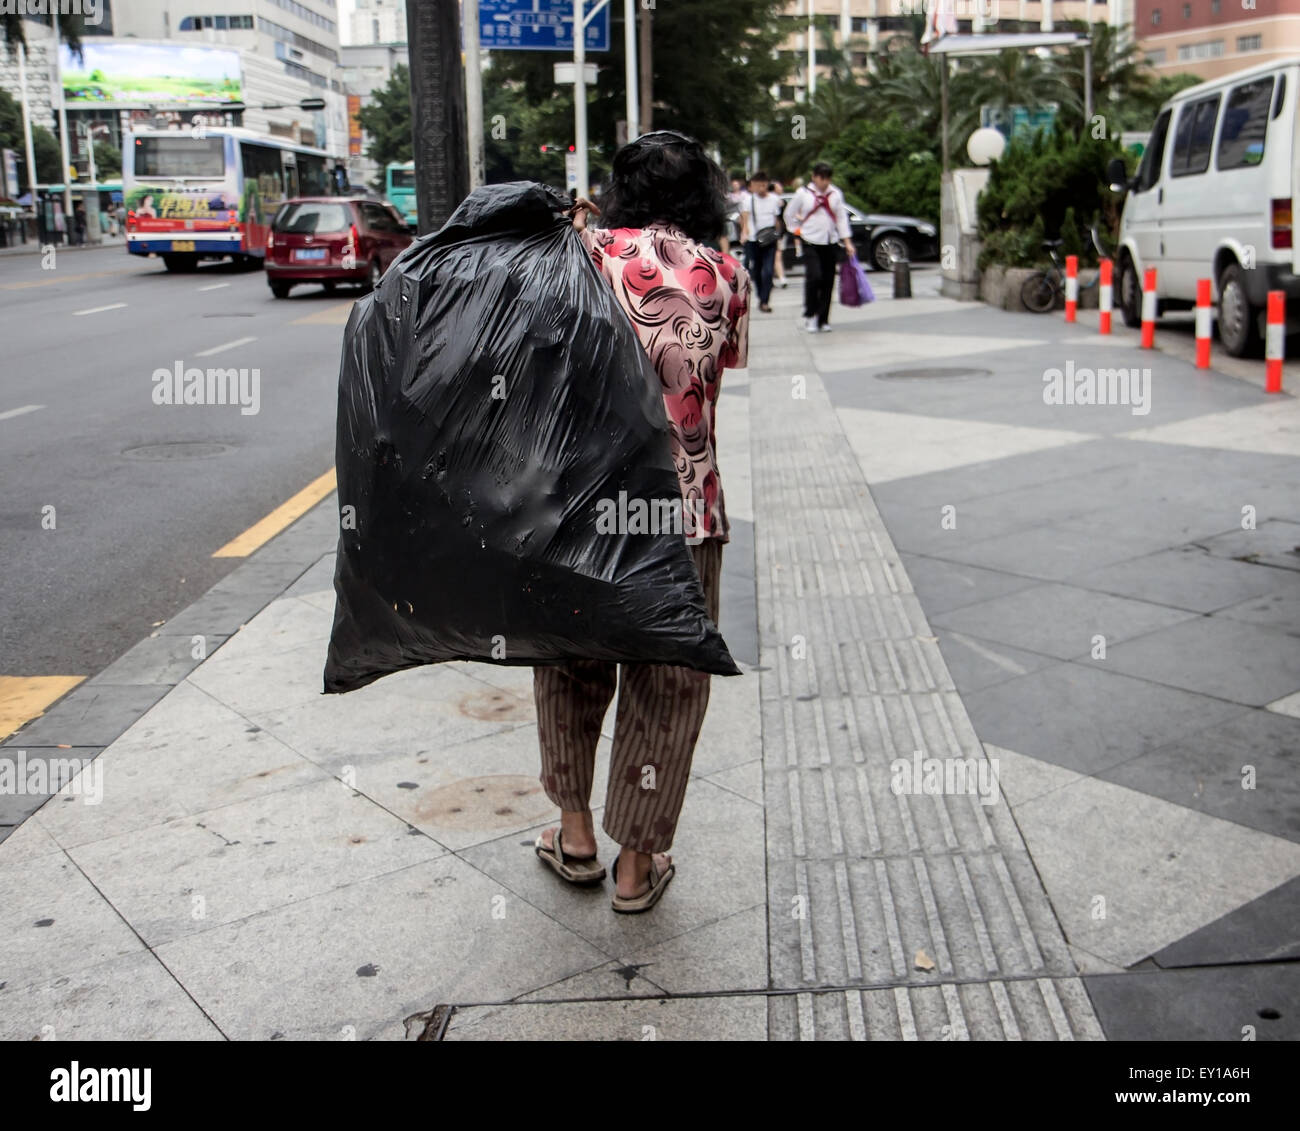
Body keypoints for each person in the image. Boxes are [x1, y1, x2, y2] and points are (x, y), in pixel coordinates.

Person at [536, 130, 751, 913]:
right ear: (706, 195)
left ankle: (575, 833)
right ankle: (637, 866)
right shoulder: (725, 273)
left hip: (580, 507)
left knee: (569, 662)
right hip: (685, 507)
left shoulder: (575, 256)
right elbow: (721, 368)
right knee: (668, 683)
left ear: (618, 189)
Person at [783, 161, 854, 333]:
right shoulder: (803, 194)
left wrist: (847, 242)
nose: (824, 182)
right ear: (814, 177)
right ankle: (810, 315)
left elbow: (841, 218)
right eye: (821, 178)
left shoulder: (836, 194)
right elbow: (789, 214)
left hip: (830, 242)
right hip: (810, 242)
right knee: (814, 277)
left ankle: (823, 319)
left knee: (828, 281)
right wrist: (797, 230)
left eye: (827, 178)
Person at [738, 170, 781, 313]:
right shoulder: (748, 200)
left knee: (768, 271)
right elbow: (744, 218)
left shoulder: (774, 199)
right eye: (758, 185)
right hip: (753, 240)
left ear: (767, 184)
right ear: (753, 186)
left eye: (763, 185)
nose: (761, 188)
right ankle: (760, 294)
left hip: (769, 240)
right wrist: (744, 233)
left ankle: (764, 301)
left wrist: (778, 236)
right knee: (755, 270)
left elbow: (776, 220)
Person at [771, 179, 789, 290]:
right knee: (777, 256)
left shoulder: (781, 201)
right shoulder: (774, 201)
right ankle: (781, 278)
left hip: (780, 233)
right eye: (779, 186)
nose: (781, 188)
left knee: (775, 256)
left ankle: (772, 278)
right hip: (775, 233)